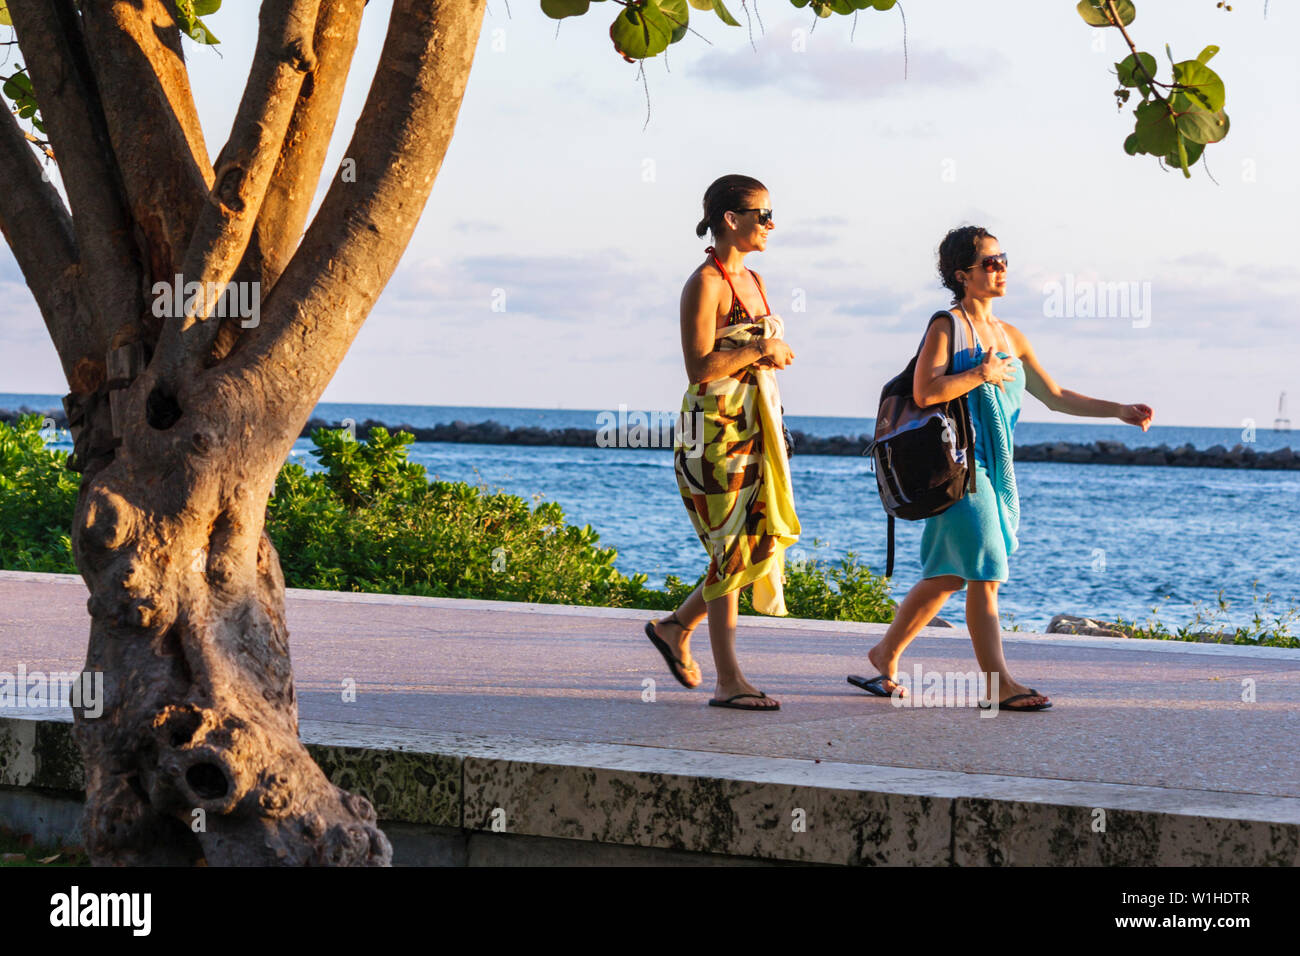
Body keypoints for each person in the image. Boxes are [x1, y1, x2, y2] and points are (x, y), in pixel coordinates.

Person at [848, 225, 1154, 711]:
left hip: (998, 468)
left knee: (948, 575)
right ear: (962, 275)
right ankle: (999, 683)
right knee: (986, 573)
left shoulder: (1012, 337)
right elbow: (927, 393)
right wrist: (979, 374)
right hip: (962, 470)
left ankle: (884, 654)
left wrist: (1118, 409)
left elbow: (1055, 397)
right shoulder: (946, 327)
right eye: (990, 262)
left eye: (1003, 259)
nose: (1001, 268)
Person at [643, 174, 800, 711]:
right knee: (730, 551)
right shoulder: (705, 284)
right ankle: (728, 680)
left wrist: (766, 354)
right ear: (731, 219)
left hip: (753, 431)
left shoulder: (754, 279)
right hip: (712, 436)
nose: (771, 224)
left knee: (749, 543)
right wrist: (763, 350)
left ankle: (675, 628)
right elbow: (699, 369)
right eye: (763, 214)